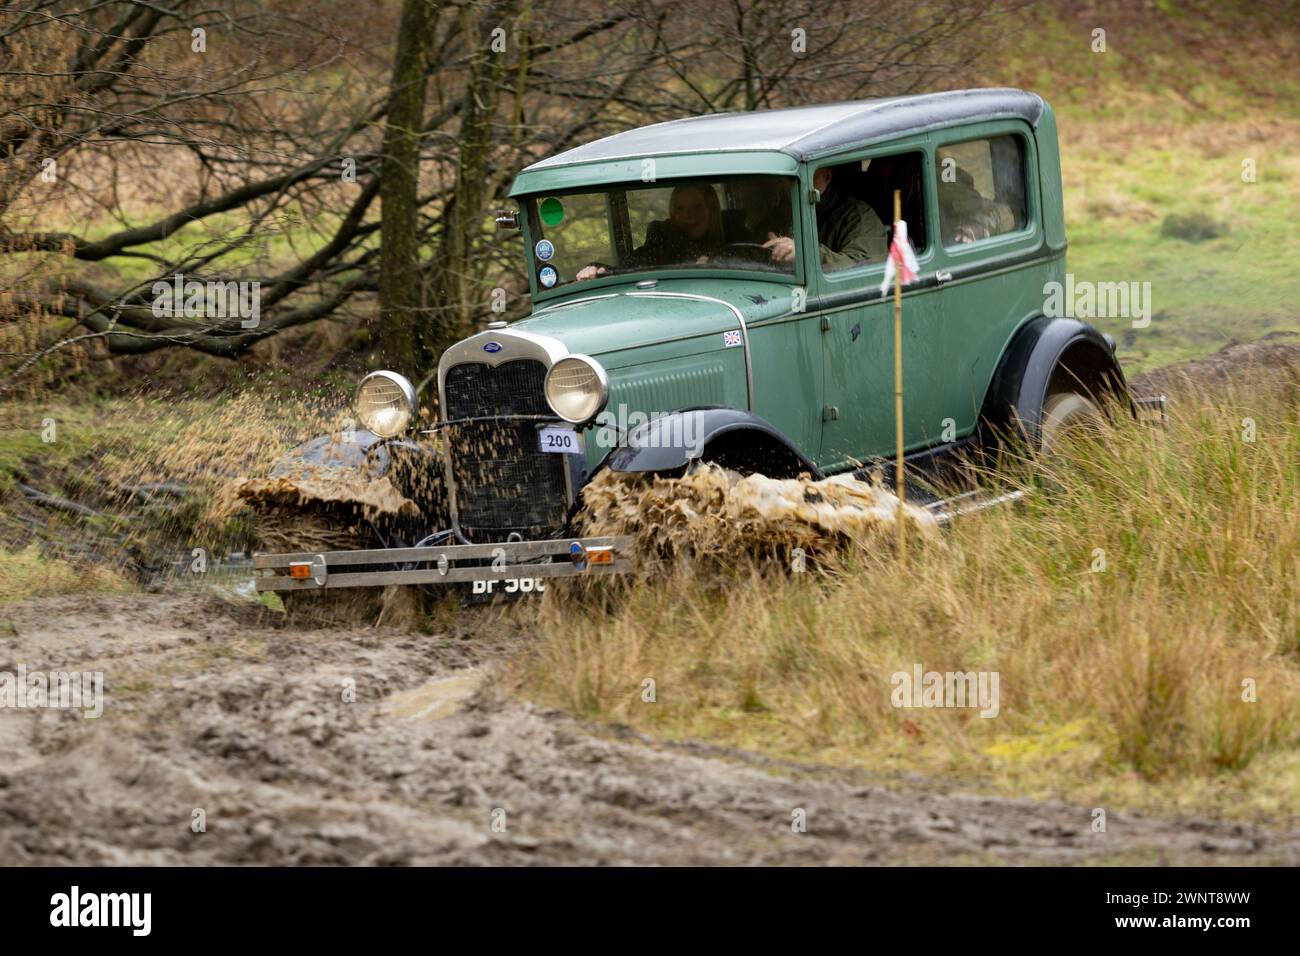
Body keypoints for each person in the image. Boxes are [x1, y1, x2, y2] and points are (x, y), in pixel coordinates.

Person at [576, 184, 723, 281]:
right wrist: (597, 269)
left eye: (697, 206)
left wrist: (716, 263)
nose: (688, 214)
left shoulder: (733, 235)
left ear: (711, 209)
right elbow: (631, 268)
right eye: (680, 209)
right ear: (673, 215)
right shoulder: (663, 243)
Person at [761, 166, 886, 270]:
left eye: (807, 177)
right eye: (788, 179)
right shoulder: (780, 212)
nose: (797, 186)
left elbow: (862, 267)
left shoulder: (858, 217)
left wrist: (807, 254)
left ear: (827, 176)